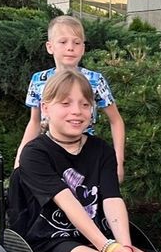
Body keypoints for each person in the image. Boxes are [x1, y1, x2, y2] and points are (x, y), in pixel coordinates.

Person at [13, 69, 161, 252]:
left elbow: (112, 199)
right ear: (45, 108)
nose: (76, 111)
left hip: (96, 232)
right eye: (65, 103)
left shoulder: (101, 150)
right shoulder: (35, 153)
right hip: (51, 236)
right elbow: (68, 204)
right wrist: (107, 248)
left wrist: (123, 246)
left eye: (85, 104)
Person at [15, 14, 127, 182]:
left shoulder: (95, 80)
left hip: (85, 155)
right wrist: (20, 159)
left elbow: (116, 120)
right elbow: (35, 122)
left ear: (83, 48)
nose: (70, 47)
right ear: (50, 46)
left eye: (76, 42)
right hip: (49, 154)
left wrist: (118, 162)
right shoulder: (39, 80)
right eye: (63, 42)